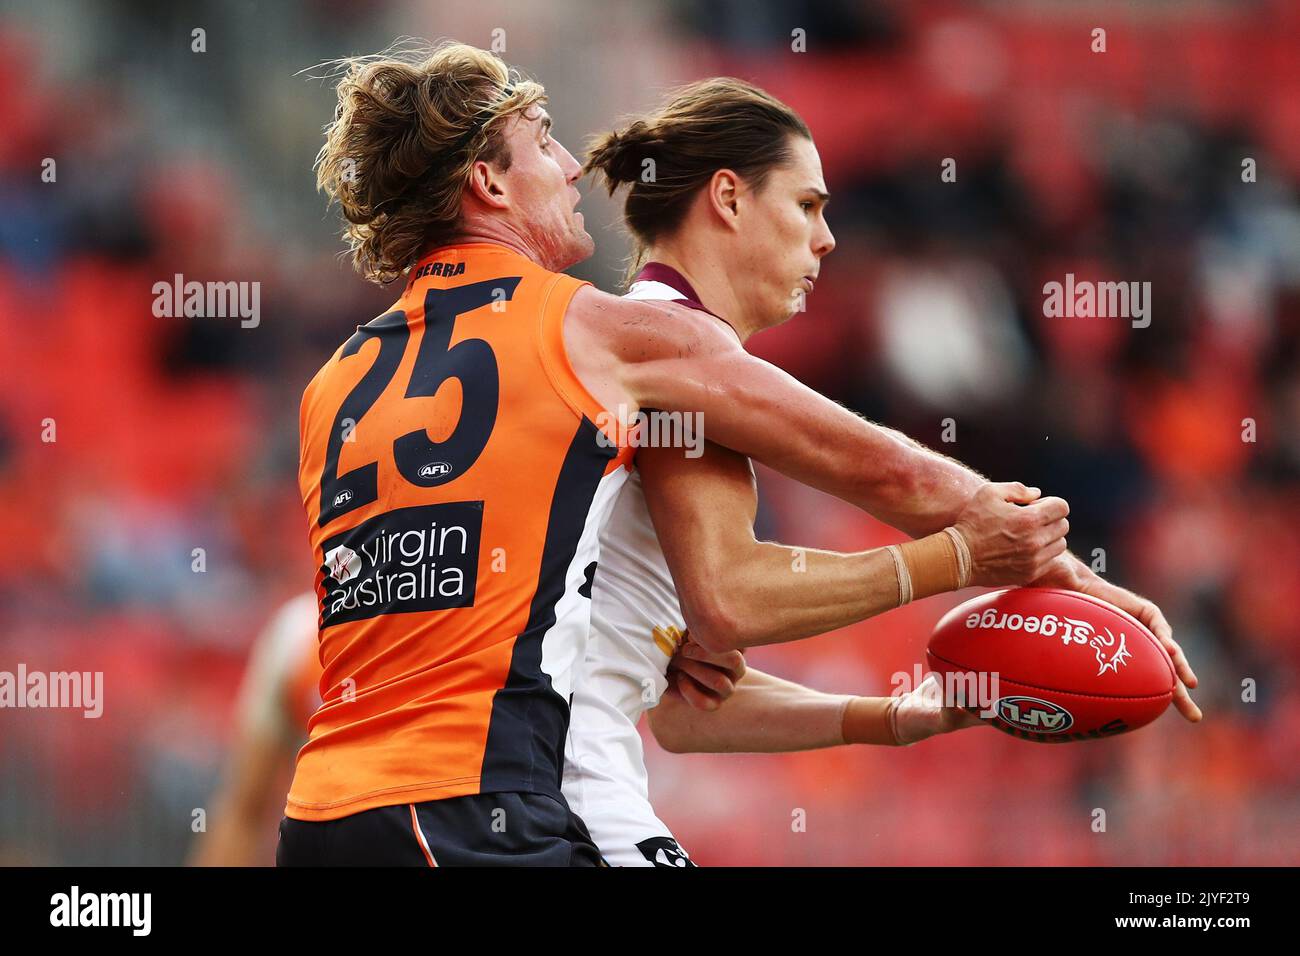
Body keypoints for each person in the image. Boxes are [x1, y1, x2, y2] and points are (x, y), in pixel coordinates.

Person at [278, 40, 1086, 866]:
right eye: (544, 138)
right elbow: (881, 471)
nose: (567, 165)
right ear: (487, 183)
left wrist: (679, 657)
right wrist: (1014, 561)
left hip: (322, 814)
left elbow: (496, 600)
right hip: (479, 806)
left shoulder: (329, 386)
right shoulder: (606, 332)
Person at [561, 78, 1201, 866]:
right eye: (807, 206)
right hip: (558, 788)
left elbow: (687, 707)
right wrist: (999, 562)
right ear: (728, 197)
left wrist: (888, 719)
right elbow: (866, 490)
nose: (827, 238)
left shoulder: (655, 369)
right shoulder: (670, 343)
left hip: (542, 777)